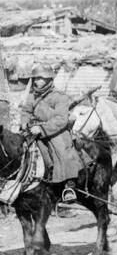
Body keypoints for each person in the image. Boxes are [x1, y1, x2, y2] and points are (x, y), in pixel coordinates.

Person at [19, 63, 82, 200]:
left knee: (63, 152)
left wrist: (41, 129)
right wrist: (24, 122)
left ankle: (69, 186)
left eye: (40, 78)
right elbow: (26, 111)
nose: (37, 81)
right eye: (35, 78)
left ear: (48, 79)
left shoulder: (60, 96)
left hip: (55, 130)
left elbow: (61, 119)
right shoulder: (32, 96)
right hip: (33, 129)